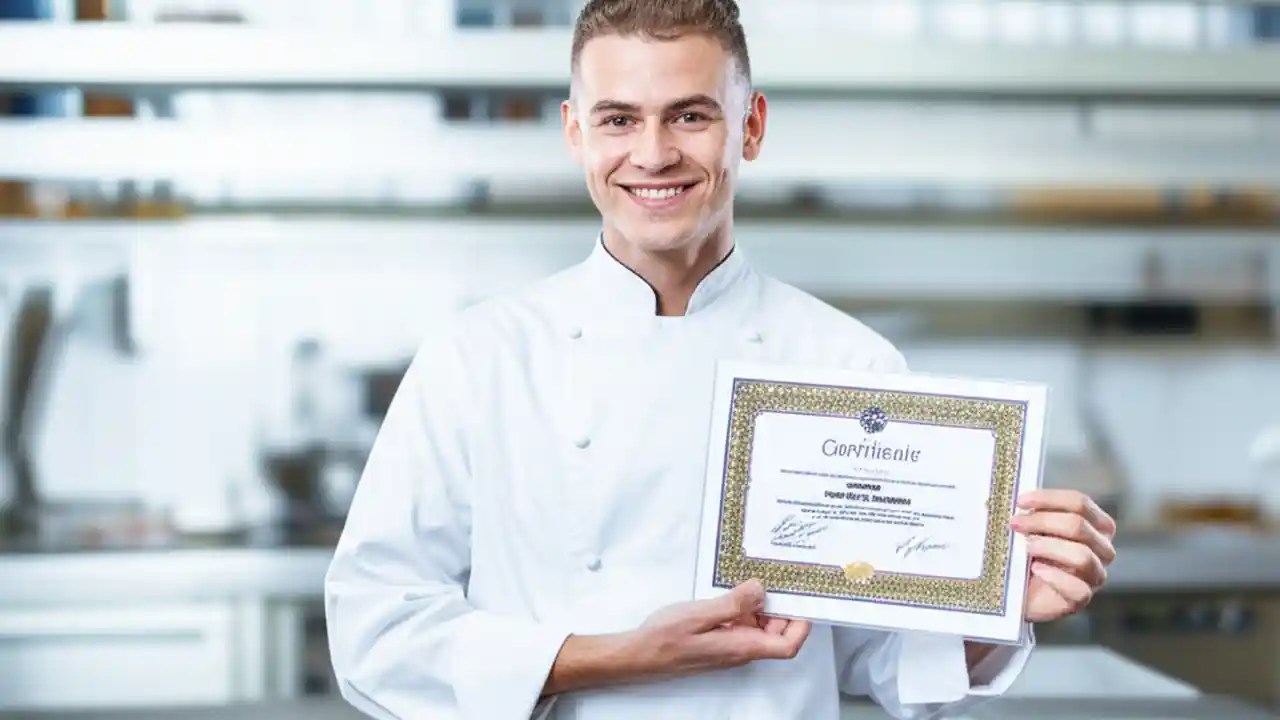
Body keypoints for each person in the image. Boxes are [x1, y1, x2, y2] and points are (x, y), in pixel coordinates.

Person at [323, 1, 1118, 718]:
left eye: (691, 115)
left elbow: (888, 659)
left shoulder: (849, 362)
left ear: (752, 127)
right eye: (618, 120)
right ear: (574, 133)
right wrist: (617, 658)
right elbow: (376, 632)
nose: (655, 153)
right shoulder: (479, 358)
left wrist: (1003, 605)